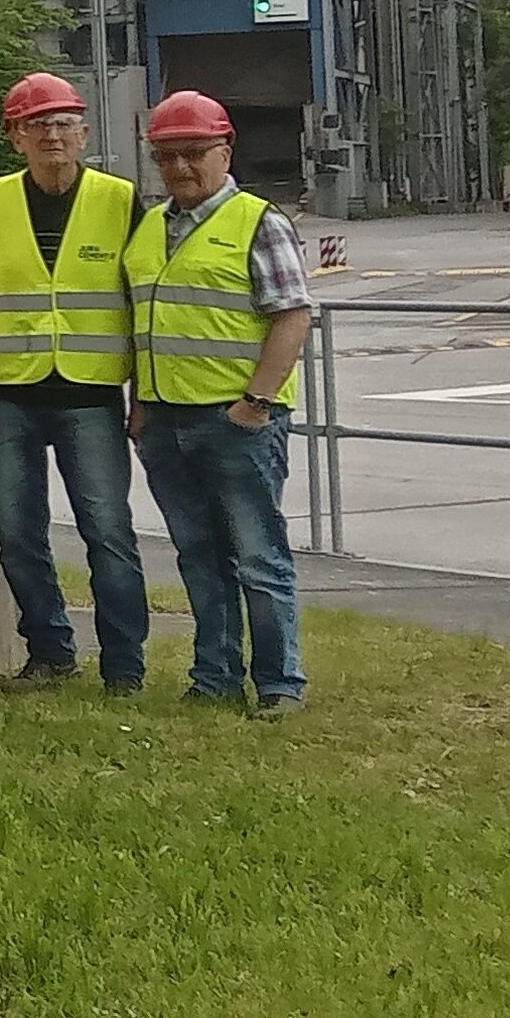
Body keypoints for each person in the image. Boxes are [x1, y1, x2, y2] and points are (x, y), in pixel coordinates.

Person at [123, 88, 314, 716]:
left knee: (258, 557)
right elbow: (145, 325)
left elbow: (291, 317)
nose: (180, 167)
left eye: (194, 153)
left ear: (224, 150)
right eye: (167, 156)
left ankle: (280, 685)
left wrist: (255, 403)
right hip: (165, 421)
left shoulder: (259, 221)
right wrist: (143, 406)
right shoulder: (149, 228)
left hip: (236, 421)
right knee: (199, 557)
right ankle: (215, 677)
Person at [0, 73, 152, 690]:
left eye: (63, 122)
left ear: (84, 132)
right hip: (7, 393)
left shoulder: (120, 199)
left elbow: (143, 301)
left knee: (108, 533)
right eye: (35, 124)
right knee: (18, 535)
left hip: (90, 394)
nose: (51, 133)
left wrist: (143, 393)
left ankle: (125, 666)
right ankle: (50, 652)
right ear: (14, 137)